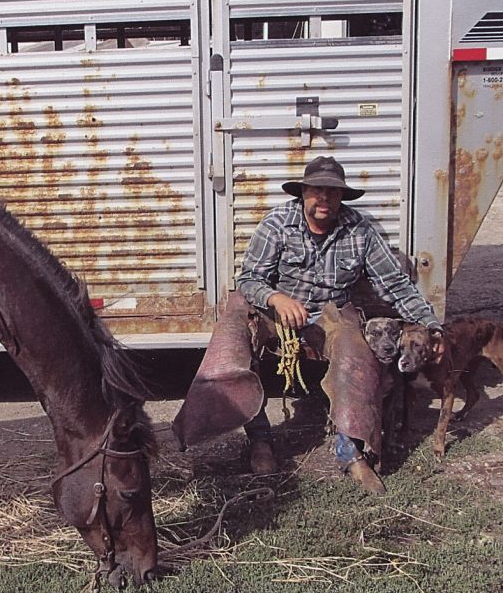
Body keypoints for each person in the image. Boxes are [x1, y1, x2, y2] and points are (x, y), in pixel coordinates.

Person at [176, 155, 444, 494]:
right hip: (280, 313)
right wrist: (275, 299)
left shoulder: (359, 229)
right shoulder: (277, 223)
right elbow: (250, 278)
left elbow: (394, 284)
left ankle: (351, 449)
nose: (325, 200)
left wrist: (431, 326)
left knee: (354, 353)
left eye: (333, 193)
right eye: (317, 191)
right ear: (303, 193)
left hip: (331, 315)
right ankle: (258, 440)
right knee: (233, 332)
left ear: (342, 198)